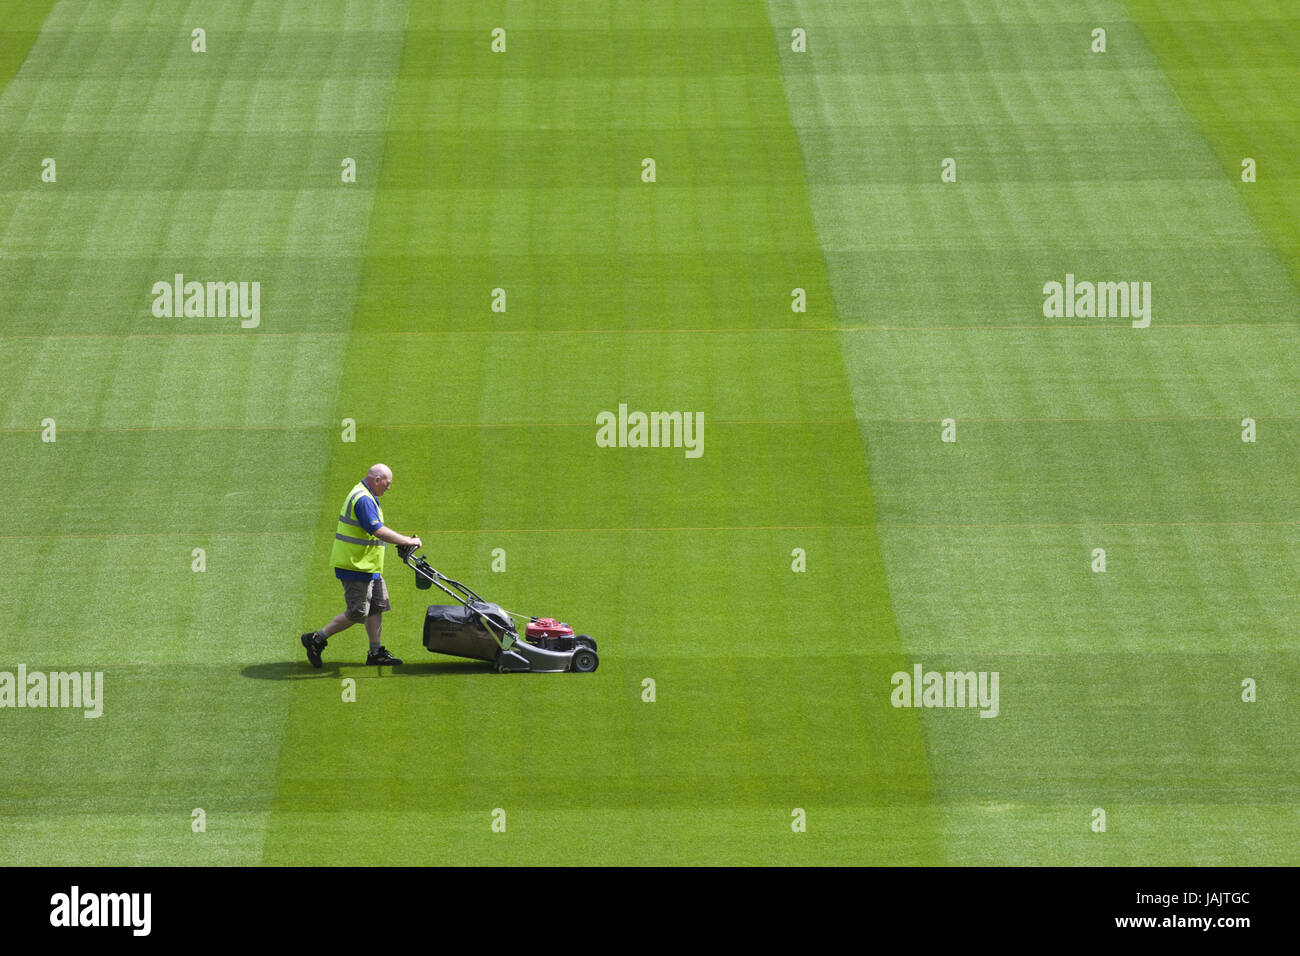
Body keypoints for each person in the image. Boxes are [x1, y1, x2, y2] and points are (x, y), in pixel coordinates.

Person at [301, 463, 421, 667]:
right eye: (387, 483)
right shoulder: (363, 499)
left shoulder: (365, 494)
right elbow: (377, 530)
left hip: (368, 566)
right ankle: (316, 638)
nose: (388, 488)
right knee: (358, 612)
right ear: (377, 479)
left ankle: (375, 653)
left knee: (377, 606)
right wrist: (406, 541)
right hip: (354, 566)